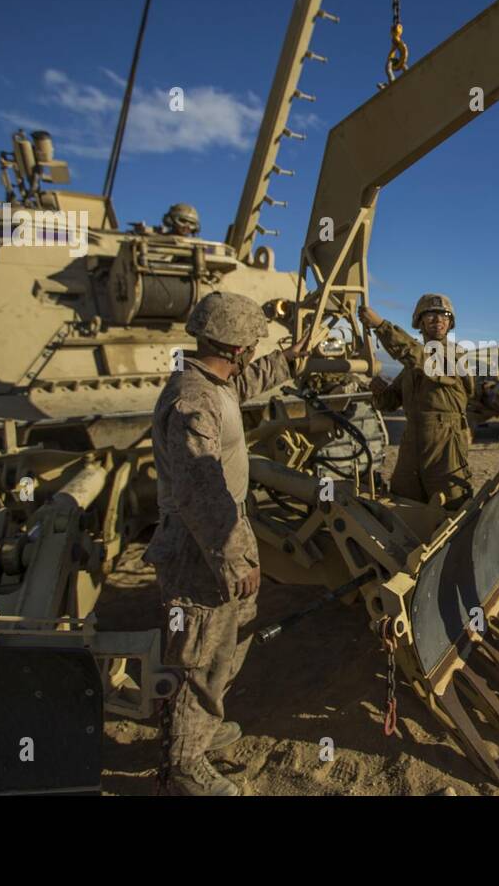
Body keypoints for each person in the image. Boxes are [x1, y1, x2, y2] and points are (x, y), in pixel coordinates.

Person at [144, 291, 306, 795]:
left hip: (220, 535)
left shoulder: (213, 382)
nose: (254, 354)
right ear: (237, 349)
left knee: (229, 645)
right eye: (254, 345)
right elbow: (200, 490)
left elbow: (248, 385)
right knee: (201, 655)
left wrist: (290, 358)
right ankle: (184, 766)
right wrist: (234, 557)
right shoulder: (193, 398)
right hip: (202, 546)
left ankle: (204, 732)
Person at [359, 294, 488, 510]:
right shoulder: (413, 367)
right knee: (403, 504)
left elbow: (417, 357)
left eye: (444, 316)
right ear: (420, 322)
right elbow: (389, 403)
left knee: (453, 507)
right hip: (411, 443)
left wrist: (381, 326)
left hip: (445, 443)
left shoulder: (455, 355)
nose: (438, 320)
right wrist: (377, 387)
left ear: (450, 323)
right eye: (431, 315)